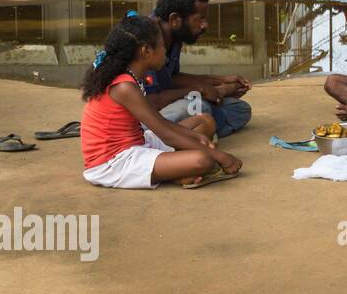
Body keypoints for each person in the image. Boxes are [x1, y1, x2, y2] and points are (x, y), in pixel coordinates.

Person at [81, 13, 241, 189]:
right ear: (146, 51)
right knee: (203, 160)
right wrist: (220, 156)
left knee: (205, 122)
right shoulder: (124, 87)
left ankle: (175, 171)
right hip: (113, 162)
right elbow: (165, 133)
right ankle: (174, 175)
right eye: (162, 46)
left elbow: (162, 124)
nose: (165, 51)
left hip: (138, 142)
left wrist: (195, 137)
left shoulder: (132, 76)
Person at [144, 0, 252, 138]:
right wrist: (200, 91)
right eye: (199, 19)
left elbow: (170, 78)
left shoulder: (174, 32)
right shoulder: (147, 42)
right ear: (175, 19)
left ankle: (197, 131)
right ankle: (186, 136)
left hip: (165, 107)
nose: (205, 25)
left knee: (239, 110)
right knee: (200, 105)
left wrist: (219, 81)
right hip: (143, 116)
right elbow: (151, 102)